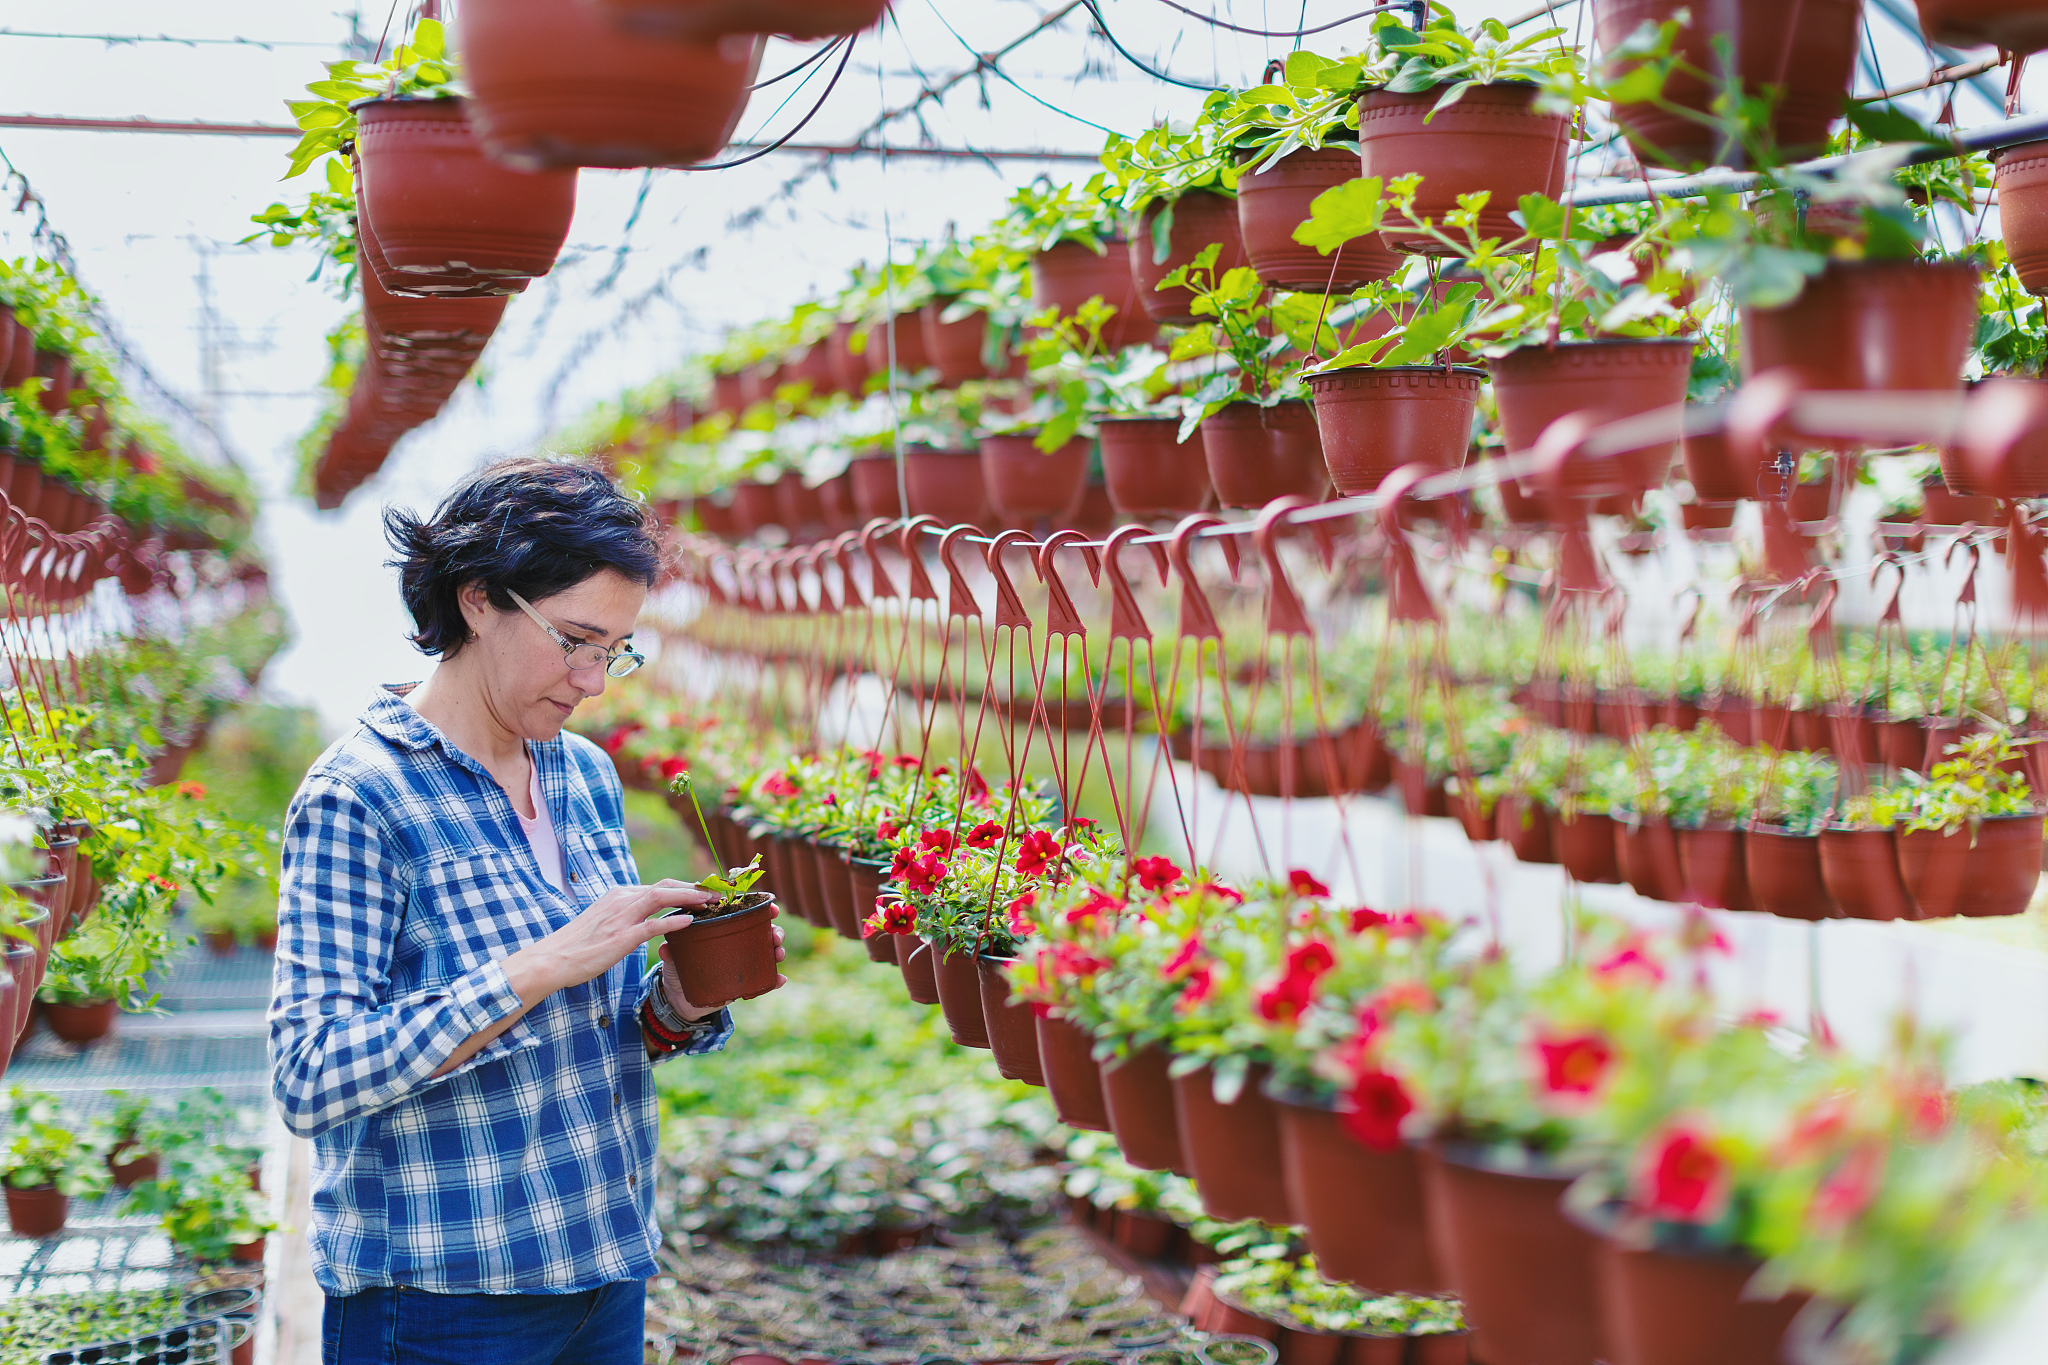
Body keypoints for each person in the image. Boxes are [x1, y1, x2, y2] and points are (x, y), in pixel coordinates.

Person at [270, 457, 784, 1365]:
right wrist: (537, 965)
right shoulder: (360, 796)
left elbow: (604, 1028)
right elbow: (311, 1075)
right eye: (574, 641)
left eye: (613, 650)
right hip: (443, 1303)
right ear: (478, 600)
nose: (592, 680)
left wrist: (684, 999)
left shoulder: (580, 772)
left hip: (603, 1269)